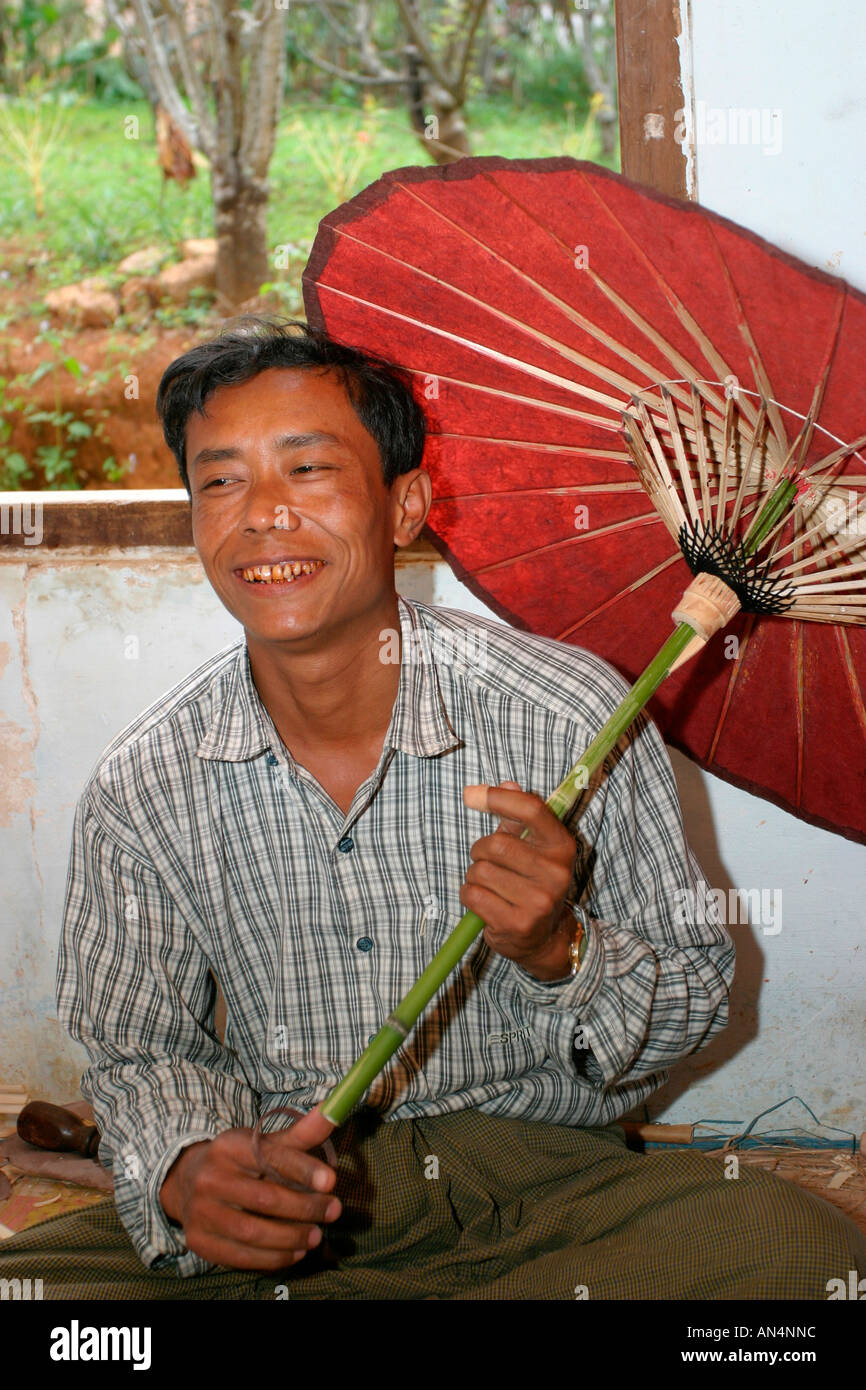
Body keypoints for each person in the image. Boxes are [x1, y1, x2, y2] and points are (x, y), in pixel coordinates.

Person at [2, 318, 863, 1301]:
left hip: (544, 1195)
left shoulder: (565, 716)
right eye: (221, 481)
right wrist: (187, 1167)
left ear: (404, 502)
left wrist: (562, 951)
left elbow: (690, 1005)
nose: (261, 516)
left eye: (308, 469)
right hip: (297, 1188)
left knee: (799, 1256)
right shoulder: (143, 786)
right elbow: (139, 1047)